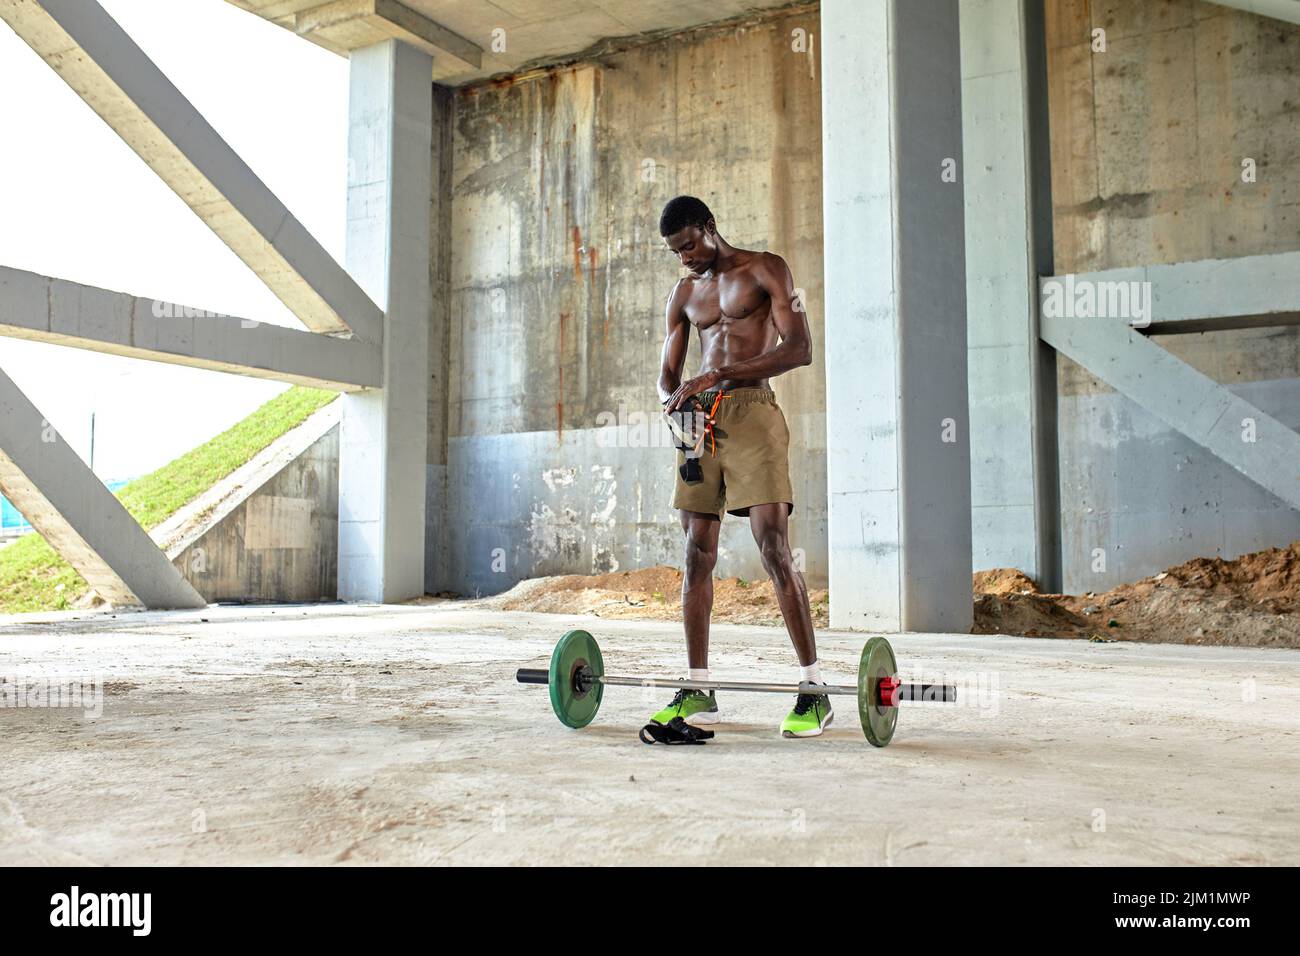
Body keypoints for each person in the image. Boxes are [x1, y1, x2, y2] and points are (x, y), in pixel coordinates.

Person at [653, 195, 828, 737]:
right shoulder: (684, 293)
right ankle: (699, 687)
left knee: (773, 544)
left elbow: (799, 349)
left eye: (689, 246)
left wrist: (719, 373)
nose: (684, 259)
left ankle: (813, 689)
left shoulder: (765, 269)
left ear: (710, 227)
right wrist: (673, 405)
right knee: (695, 553)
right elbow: (668, 372)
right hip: (699, 423)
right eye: (675, 252)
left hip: (752, 411)